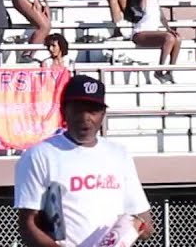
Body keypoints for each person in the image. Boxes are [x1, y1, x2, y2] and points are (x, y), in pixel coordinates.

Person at [14, 75, 154, 247]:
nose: (85, 117)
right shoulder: (39, 155)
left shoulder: (119, 154)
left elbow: (144, 223)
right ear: (64, 110)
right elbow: (28, 226)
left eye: (93, 110)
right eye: (78, 109)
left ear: (103, 114)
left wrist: (128, 231)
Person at [124, 0, 182, 83]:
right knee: (168, 38)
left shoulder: (154, 0)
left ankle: (170, 71)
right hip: (140, 33)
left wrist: (168, 28)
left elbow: (161, 16)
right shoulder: (135, 0)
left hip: (153, 32)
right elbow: (142, 10)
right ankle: (159, 71)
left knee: (176, 38)